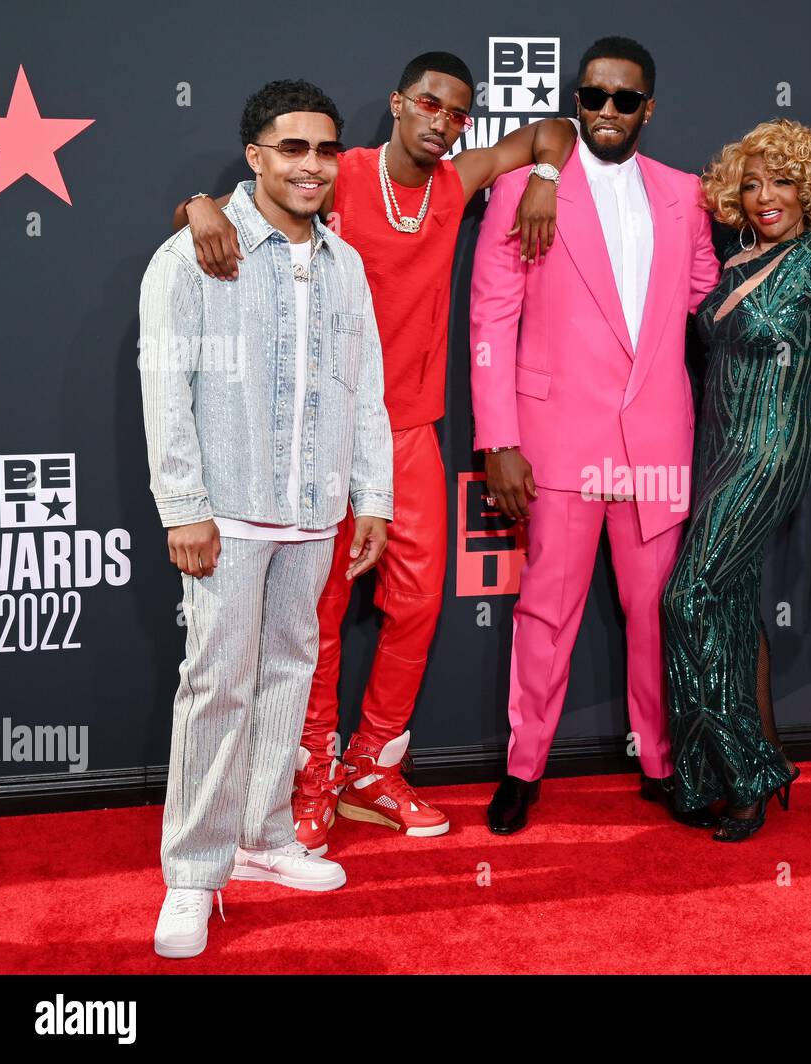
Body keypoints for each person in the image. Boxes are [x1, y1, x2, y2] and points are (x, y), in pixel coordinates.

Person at [173, 53, 577, 852]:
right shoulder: (337, 171)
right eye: (428, 103)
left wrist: (546, 179)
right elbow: (229, 213)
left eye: (458, 113)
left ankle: (371, 768)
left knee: (419, 603)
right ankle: (308, 774)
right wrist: (197, 208)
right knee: (315, 612)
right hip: (320, 430)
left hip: (410, 430)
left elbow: (556, 131)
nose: (441, 120)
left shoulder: (456, 184)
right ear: (397, 103)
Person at [140, 80, 393, 957]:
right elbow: (166, 386)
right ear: (256, 157)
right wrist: (185, 505)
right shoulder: (192, 256)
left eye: (326, 150)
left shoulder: (346, 264)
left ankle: (263, 834)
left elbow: (364, 393)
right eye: (293, 149)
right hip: (229, 514)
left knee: (290, 668)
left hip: (314, 512)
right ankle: (192, 876)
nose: (313, 166)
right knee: (215, 687)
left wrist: (374, 496)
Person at [469, 36, 720, 834]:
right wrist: (497, 437)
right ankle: (523, 766)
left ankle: (660, 761)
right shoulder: (522, 189)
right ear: (574, 102)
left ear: (649, 107)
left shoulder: (686, 194)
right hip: (555, 439)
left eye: (623, 99)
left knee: (657, 613)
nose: (605, 112)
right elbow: (491, 315)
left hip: (655, 441)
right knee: (547, 611)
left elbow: (705, 296)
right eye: (592, 97)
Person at [662, 120, 811, 841]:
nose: (763, 197)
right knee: (728, 607)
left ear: (807, 186)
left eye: (780, 181)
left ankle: (748, 772)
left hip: (773, 449)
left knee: (686, 597)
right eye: (749, 184)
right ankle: (734, 768)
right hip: (716, 445)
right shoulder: (731, 260)